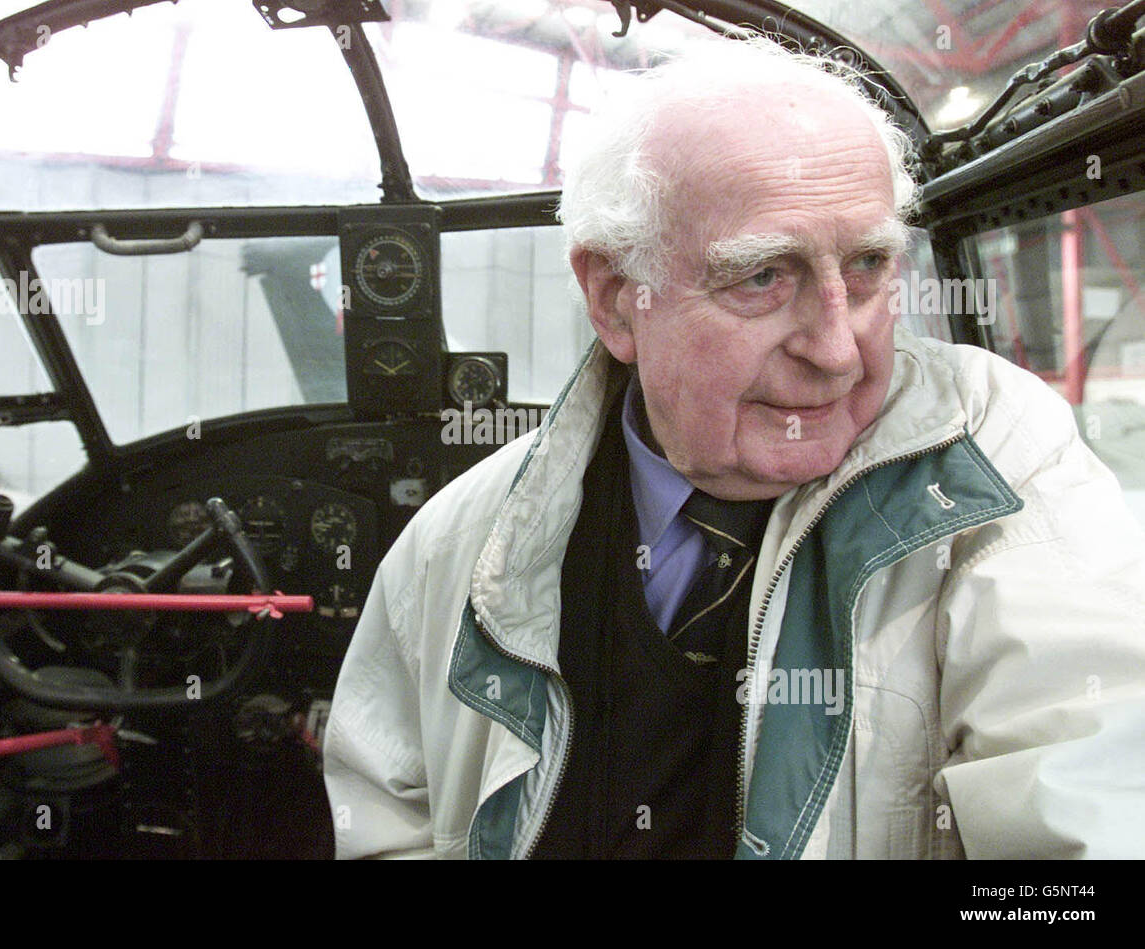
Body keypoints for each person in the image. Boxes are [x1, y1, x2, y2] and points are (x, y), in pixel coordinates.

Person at [321, 35, 1145, 859]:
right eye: (762, 278)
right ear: (615, 302)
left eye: (866, 266)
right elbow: (392, 822)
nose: (837, 348)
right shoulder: (459, 541)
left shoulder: (989, 455)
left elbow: (1090, 806)